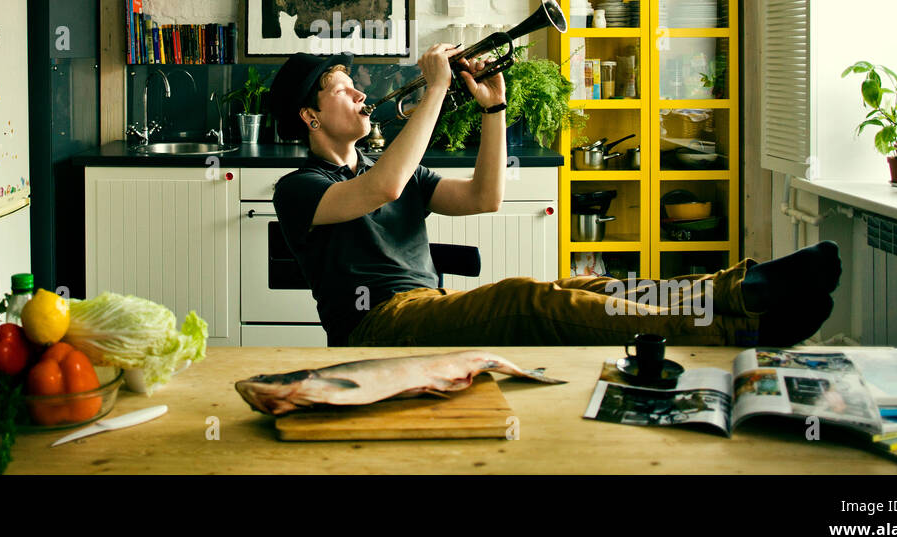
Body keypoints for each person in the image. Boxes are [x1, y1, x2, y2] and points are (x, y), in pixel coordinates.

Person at [270, 46, 841, 347]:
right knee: (528, 301)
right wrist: (437, 90)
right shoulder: (300, 190)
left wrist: (492, 109)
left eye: (355, 85)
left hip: (428, 309)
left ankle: (739, 289)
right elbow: (381, 189)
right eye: (344, 89)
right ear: (310, 115)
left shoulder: (389, 166)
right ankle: (738, 329)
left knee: (581, 285)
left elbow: (486, 196)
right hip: (377, 330)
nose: (360, 95)